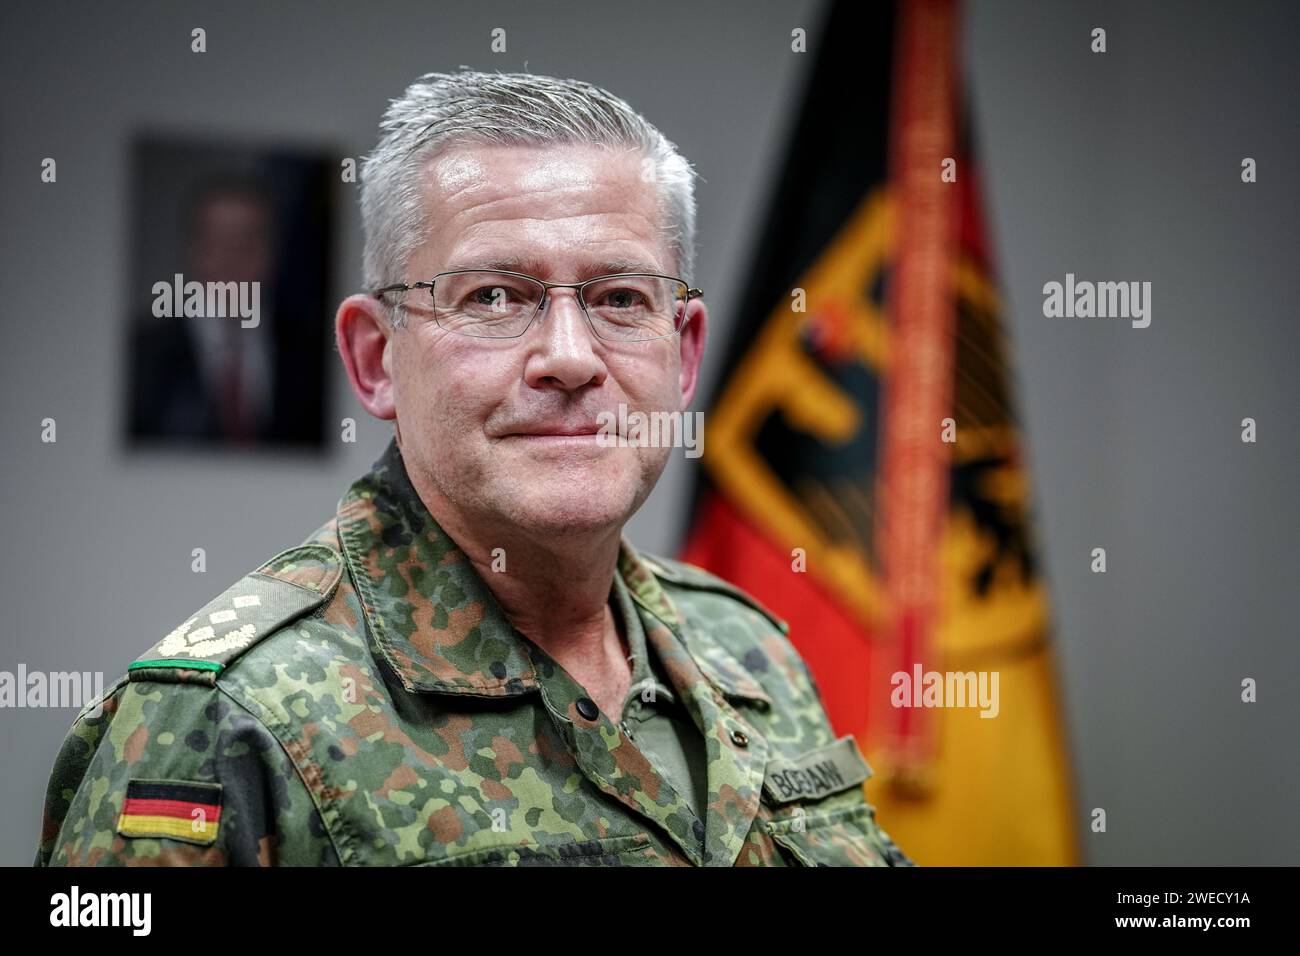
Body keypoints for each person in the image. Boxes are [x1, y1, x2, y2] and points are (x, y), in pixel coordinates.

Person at [35, 70, 913, 867]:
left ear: (682, 358)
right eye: (494, 297)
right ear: (376, 358)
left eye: (619, 299)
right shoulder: (223, 724)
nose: (570, 358)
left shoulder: (753, 655)